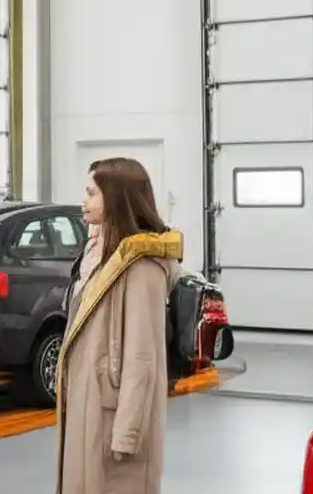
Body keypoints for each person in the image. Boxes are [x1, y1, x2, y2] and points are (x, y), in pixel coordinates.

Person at [54, 157, 183, 494]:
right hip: (89, 409)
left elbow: (143, 357)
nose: (84, 200)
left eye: (91, 192)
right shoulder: (98, 255)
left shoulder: (142, 269)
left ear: (116, 198)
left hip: (114, 419)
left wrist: (126, 433)